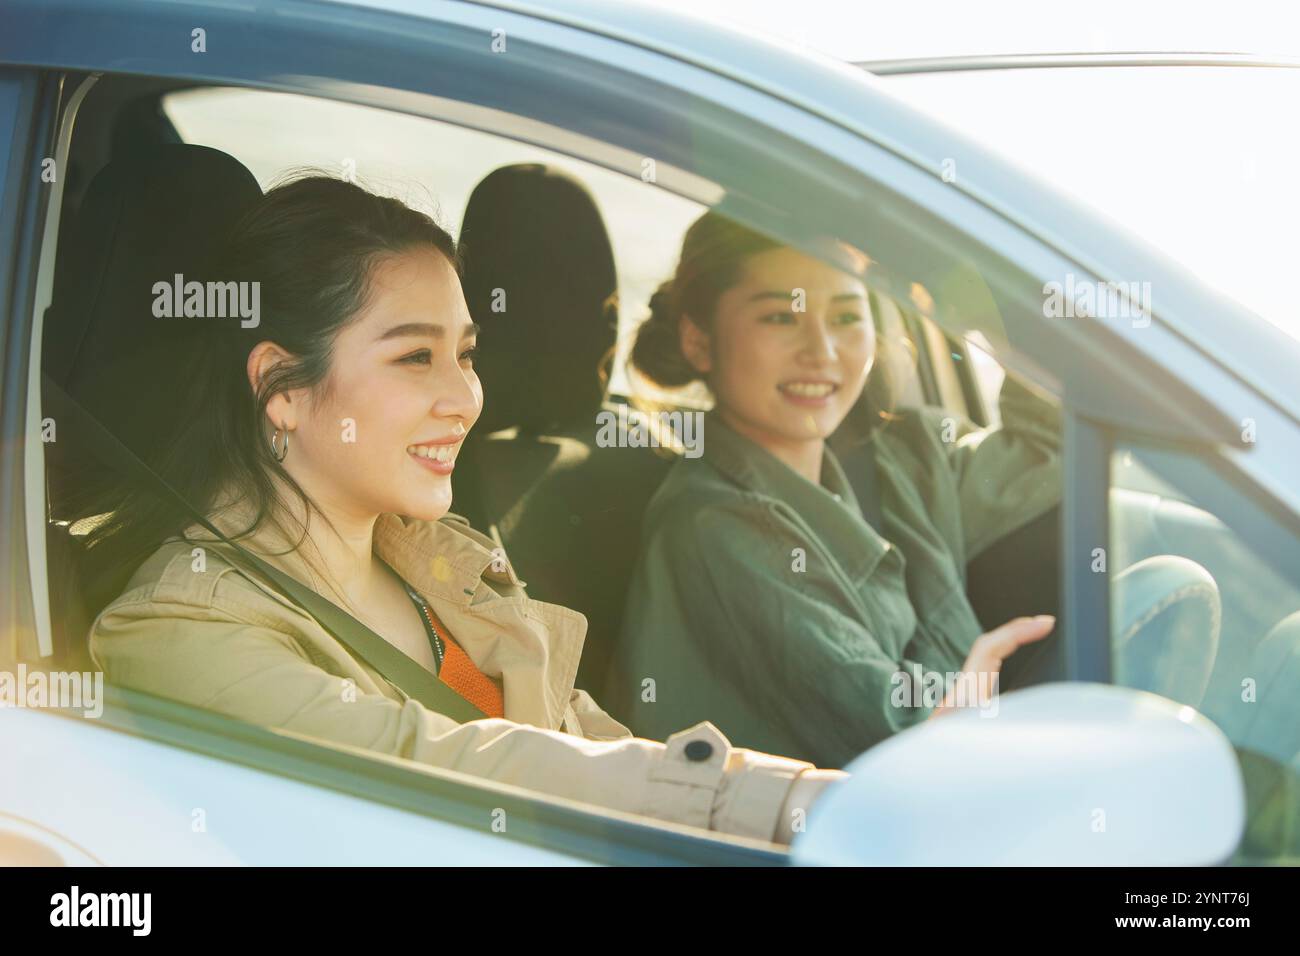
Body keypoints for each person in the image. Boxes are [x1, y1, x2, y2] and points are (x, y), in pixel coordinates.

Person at [83, 176, 845, 846]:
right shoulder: (178, 631)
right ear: (282, 387)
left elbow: (590, 749)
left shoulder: (444, 562)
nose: (466, 399)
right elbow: (442, 768)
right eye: (416, 357)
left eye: (468, 354)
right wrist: (787, 804)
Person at [607, 211, 1060, 768]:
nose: (821, 350)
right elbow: (910, 745)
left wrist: (989, 310)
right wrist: (979, 663)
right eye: (780, 317)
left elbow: (1061, 449)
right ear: (700, 342)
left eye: (847, 316)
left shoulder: (907, 459)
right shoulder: (717, 528)